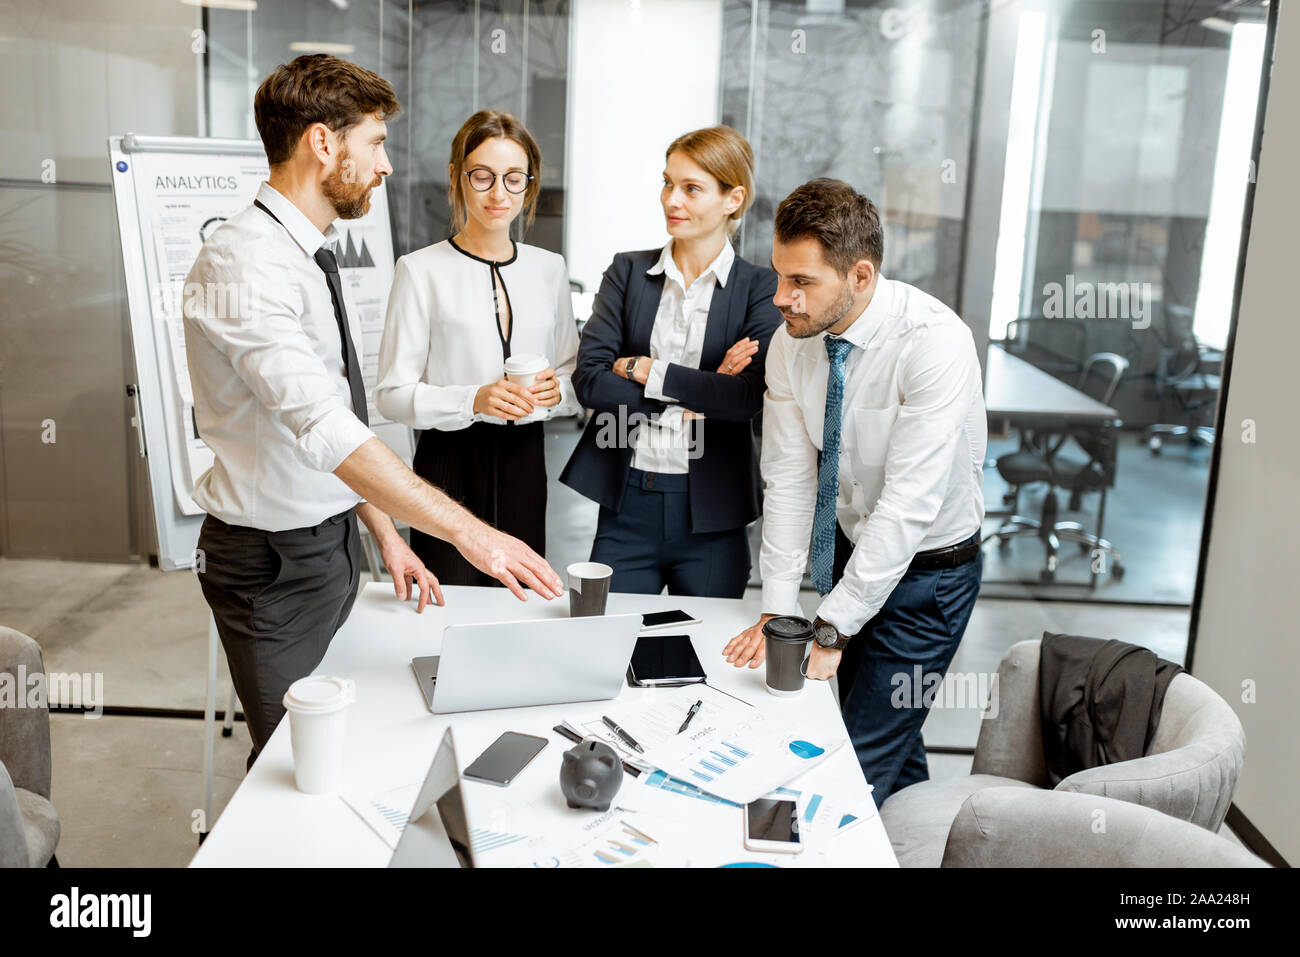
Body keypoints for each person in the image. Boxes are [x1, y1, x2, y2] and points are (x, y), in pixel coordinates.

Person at [183, 56, 563, 768]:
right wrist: (472, 535)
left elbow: (333, 423)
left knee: (347, 750)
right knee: (301, 766)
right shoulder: (243, 265)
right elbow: (324, 426)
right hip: (271, 566)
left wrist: (384, 532)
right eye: (376, 143)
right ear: (324, 144)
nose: (386, 166)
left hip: (330, 546)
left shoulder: (309, 256)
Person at [722, 178, 986, 807]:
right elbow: (787, 478)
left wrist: (833, 627)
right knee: (889, 740)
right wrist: (780, 608)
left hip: (929, 579)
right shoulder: (792, 342)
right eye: (780, 276)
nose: (782, 298)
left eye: (803, 282)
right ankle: (916, 844)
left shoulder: (933, 343)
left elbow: (908, 505)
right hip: (851, 551)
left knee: (845, 769)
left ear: (861, 275)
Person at [560, 126, 781, 597]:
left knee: (706, 652)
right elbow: (591, 382)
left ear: (733, 198)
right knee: (610, 646)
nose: (670, 200)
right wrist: (702, 387)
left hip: (713, 515)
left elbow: (744, 399)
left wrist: (645, 369)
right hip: (626, 502)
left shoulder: (759, 289)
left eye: (691, 188)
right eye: (667, 183)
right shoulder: (628, 271)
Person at [376, 110, 579, 585]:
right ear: (456, 177)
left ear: (529, 185)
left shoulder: (549, 269)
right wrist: (473, 399)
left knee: (520, 598)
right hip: (448, 462)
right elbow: (390, 394)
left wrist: (558, 393)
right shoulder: (419, 270)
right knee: (451, 601)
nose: (498, 194)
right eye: (482, 176)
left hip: (525, 460)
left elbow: (572, 376)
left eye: (513, 179)